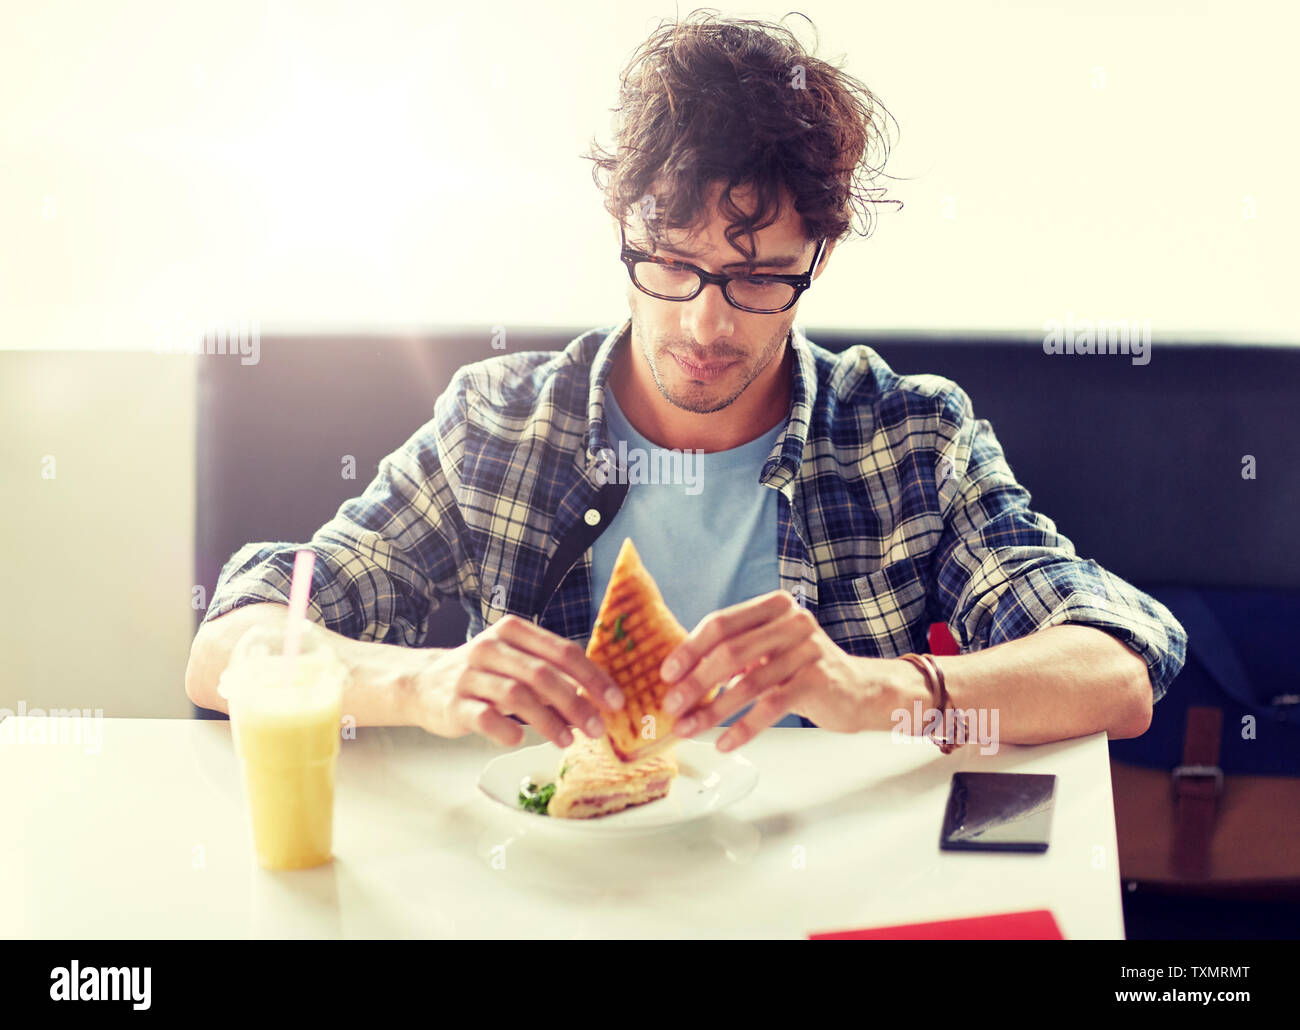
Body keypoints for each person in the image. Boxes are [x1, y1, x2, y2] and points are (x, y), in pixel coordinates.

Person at [186, 11, 1185, 755]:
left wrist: (881, 690)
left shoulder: (911, 436)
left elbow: (1114, 664)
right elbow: (230, 645)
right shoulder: (497, 423)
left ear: (816, 262)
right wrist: (422, 682)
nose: (707, 322)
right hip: (568, 884)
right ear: (624, 232)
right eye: (671, 263)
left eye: (757, 277)